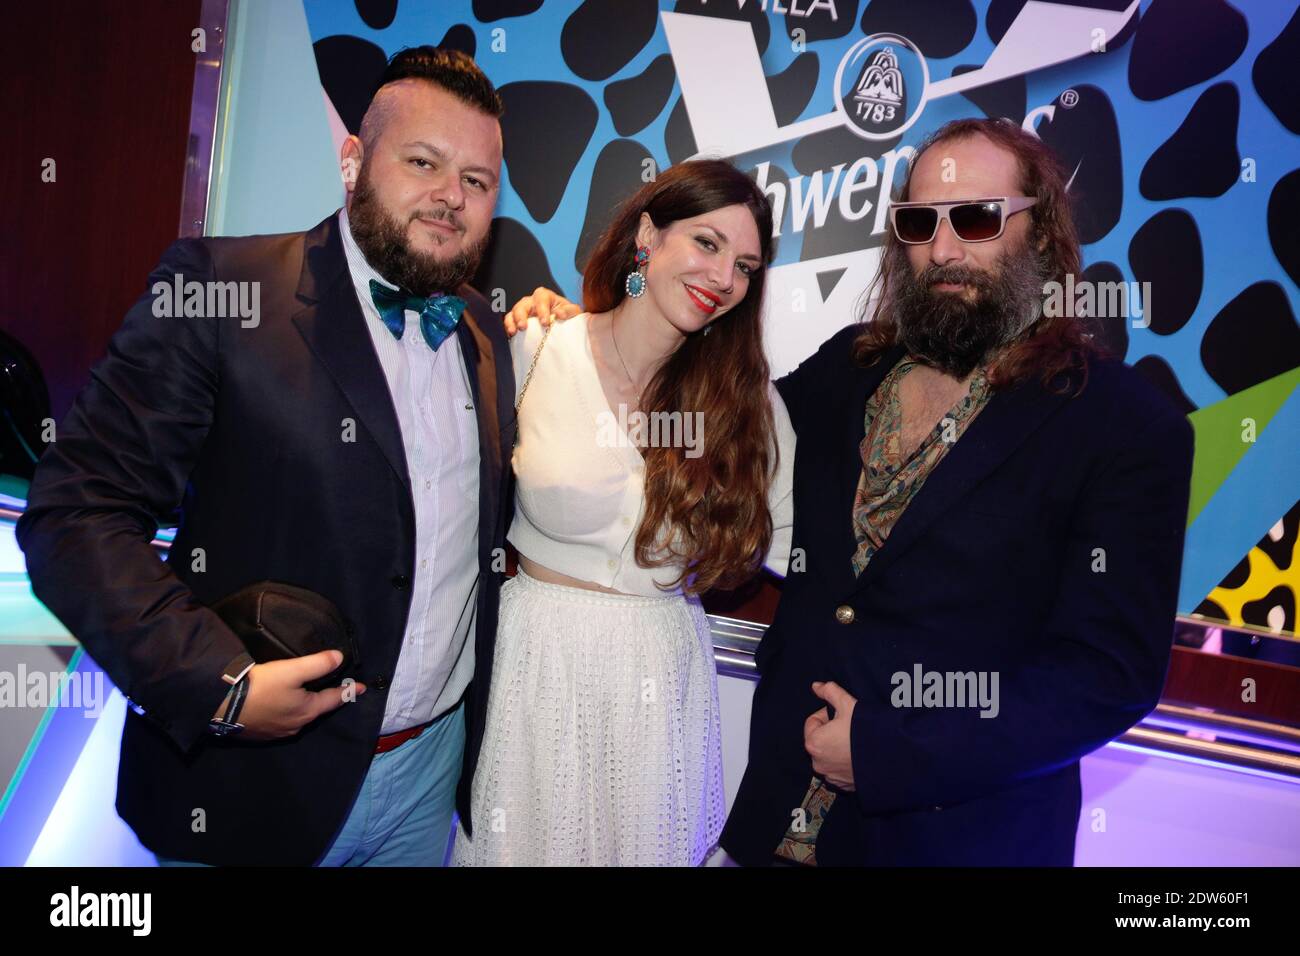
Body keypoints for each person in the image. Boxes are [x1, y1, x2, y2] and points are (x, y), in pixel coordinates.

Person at [17, 46, 573, 866]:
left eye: (477, 181)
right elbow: (75, 513)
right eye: (423, 161)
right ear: (353, 161)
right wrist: (220, 685)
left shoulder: (490, 336)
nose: (451, 197)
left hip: (431, 777)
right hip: (255, 785)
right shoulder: (219, 291)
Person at [719, 117, 1195, 866]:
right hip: (779, 825)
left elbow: (1105, 677)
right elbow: (723, 434)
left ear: (1039, 237)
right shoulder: (849, 368)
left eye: (975, 220)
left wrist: (889, 752)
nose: (943, 250)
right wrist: (591, 337)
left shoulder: (1124, 426)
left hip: (958, 841)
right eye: (920, 222)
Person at [451, 159, 794, 866]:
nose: (724, 277)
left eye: (746, 264)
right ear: (648, 236)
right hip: (535, 667)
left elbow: (800, 551)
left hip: (658, 679)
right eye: (706, 243)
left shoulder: (745, 405)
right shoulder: (539, 346)